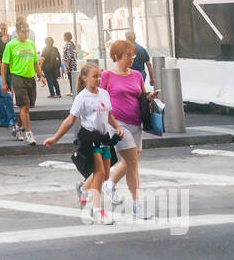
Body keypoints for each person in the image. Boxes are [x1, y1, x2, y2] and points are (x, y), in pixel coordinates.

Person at [43, 61, 122, 224]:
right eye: (95, 76)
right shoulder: (81, 98)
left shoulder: (104, 94)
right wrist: (55, 138)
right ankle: (97, 211)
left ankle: (83, 188)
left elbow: (109, 114)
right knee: (99, 174)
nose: (98, 79)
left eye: (100, 76)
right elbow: (70, 120)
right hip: (89, 138)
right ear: (84, 78)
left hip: (104, 137)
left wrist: (117, 127)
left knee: (105, 175)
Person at [103, 39, 158, 219]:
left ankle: (109, 185)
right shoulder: (107, 76)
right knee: (133, 162)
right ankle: (137, 204)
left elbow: (141, 96)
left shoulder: (136, 75)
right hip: (118, 124)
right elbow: (98, 98)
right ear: (116, 57)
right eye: (127, 56)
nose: (131, 59)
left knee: (130, 161)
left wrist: (149, 97)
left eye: (132, 56)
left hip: (136, 123)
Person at [1, 21, 44, 145]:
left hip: (30, 77)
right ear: (18, 32)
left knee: (26, 106)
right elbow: (4, 65)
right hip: (17, 77)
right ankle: (28, 134)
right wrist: (4, 82)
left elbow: (35, 62)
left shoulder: (31, 44)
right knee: (24, 105)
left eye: (28, 31)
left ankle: (17, 127)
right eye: (24, 31)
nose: (26, 34)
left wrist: (41, 75)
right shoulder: (11, 45)